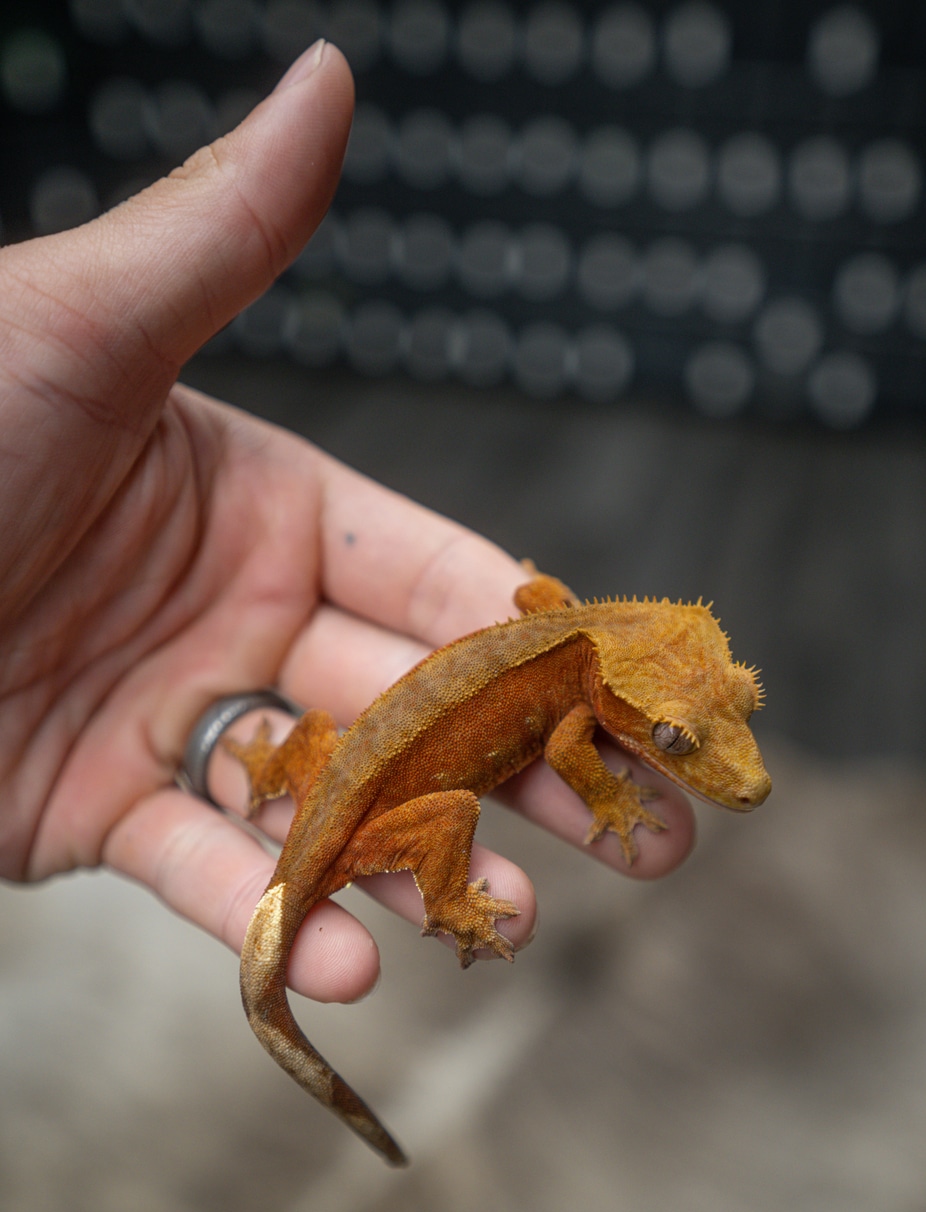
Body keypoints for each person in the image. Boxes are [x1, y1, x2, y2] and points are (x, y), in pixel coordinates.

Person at [0, 40, 695, 1005]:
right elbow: (566, 722)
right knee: (445, 811)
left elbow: (536, 594)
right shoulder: (577, 679)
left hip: (340, 783)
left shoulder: (560, 624)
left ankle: (275, 762)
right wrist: (601, 792)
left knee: (333, 738)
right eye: (671, 736)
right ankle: (439, 901)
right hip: (360, 823)